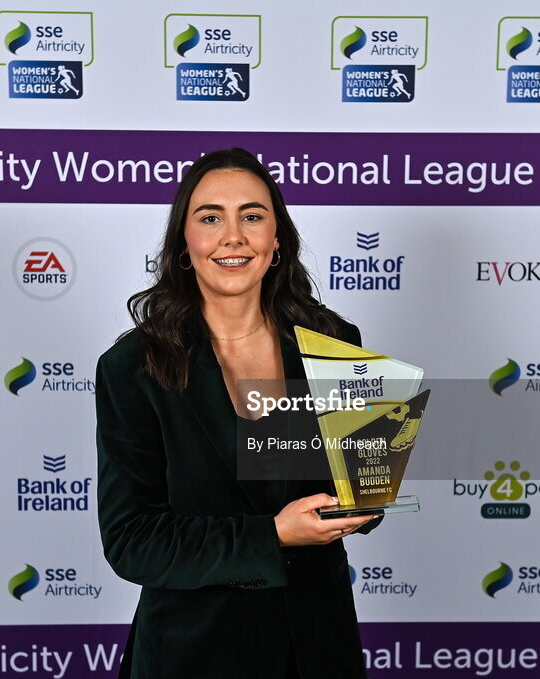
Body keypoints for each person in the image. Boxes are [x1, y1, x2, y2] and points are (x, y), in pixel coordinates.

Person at [96, 147, 381, 679]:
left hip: (317, 647)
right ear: (186, 243)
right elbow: (132, 541)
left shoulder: (337, 343)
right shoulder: (132, 367)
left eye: (252, 216)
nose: (234, 236)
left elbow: (358, 495)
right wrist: (271, 535)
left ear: (276, 241)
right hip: (193, 653)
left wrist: (368, 490)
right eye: (210, 218)